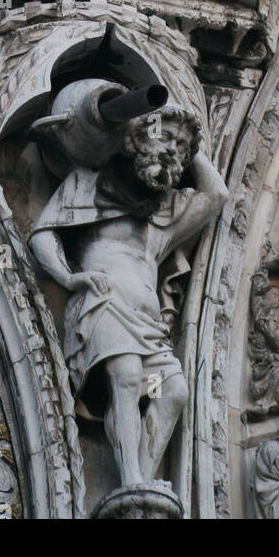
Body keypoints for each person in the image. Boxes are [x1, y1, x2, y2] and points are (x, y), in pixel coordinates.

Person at [29, 106, 227, 490]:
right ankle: (131, 481)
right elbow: (42, 234)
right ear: (136, 140)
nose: (172, 150)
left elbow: (215, 193)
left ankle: (140, 481)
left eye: (180, 147)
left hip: (148, 322)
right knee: (128, 377)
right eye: (163, 138)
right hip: (105, 305)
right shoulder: (88, 186)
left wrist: (190, 140)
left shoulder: (165, 213)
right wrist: (70, 278)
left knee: (172, 390)